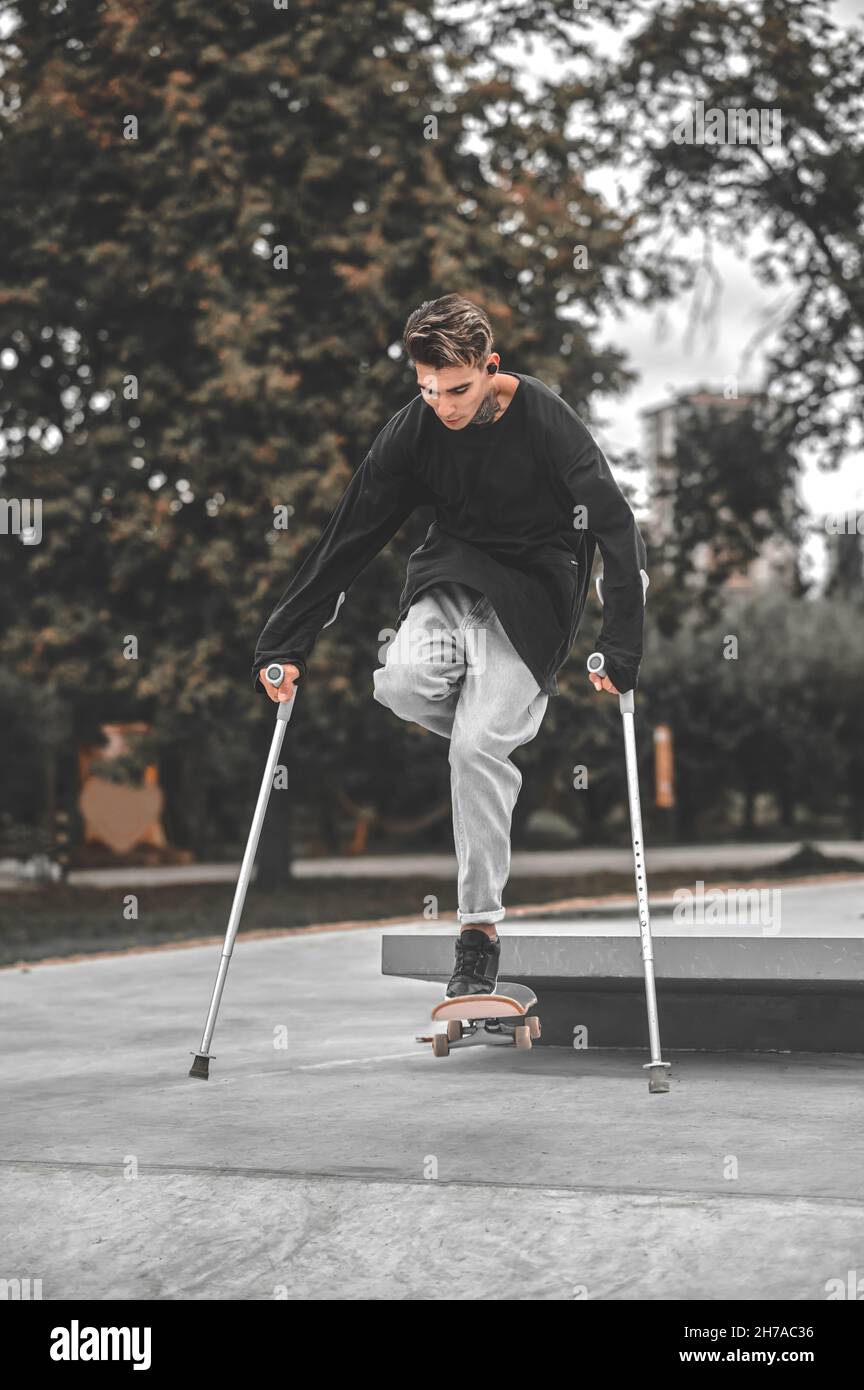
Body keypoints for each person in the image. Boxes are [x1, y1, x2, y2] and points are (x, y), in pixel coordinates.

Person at [253, 294, 647, 998]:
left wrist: (622, 643)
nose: (445, 405)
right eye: (428, 389)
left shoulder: (546, 420)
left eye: (458, 388)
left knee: (474, 749)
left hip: (535, 593)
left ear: (490, 368)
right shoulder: (412, 433)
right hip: (454, 574)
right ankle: (494, 735)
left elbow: (617, 528)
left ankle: (478, 931)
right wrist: (283, 641)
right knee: (399, 683)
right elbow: (350, 535)